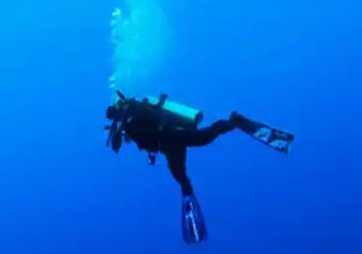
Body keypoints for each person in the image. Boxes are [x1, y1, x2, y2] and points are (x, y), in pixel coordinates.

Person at [105, 92, 294, 244]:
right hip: (170, 141)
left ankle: (188, 191)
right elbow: (148, 137)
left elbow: (150, 129)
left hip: (171, 139)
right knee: (199, 145)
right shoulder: (132, 121)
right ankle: (233, 122)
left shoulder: (133, 119)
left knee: (185, 166)